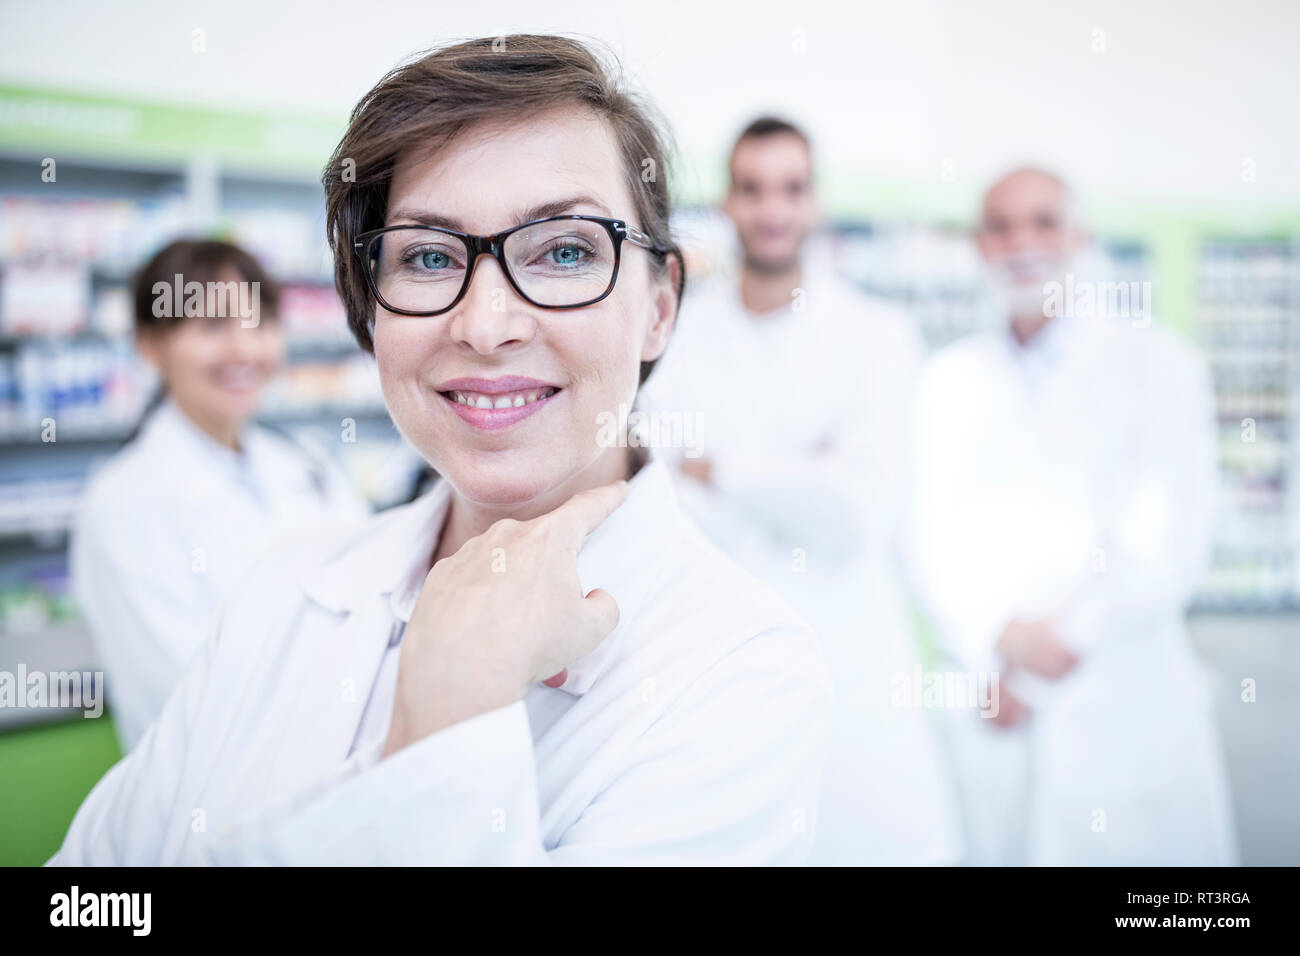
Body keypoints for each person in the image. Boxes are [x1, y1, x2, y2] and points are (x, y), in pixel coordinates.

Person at [50, 35, 832, 866]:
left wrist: (453, 710)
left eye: (565, 251)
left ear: (660, 306)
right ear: (369, 309)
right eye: (427, 256)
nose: (487, 327)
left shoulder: (746, 674)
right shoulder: (283, 593)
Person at [641, 116, 961, 865]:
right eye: (752, 189)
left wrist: (718, 467)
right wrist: (799, 471)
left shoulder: (876, 335)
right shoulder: (678, 332)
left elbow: (857, 512)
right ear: (728, 202)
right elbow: (663, 496)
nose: (771, 210)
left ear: (815, 203)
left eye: (790, 189)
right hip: (717, 654)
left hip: (852, 656)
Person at [907, 166, 1237, 865]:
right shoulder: (948, 383)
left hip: (1119, 695)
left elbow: (1164, 545)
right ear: (977, 245)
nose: (1020, 243)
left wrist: (1034, 661)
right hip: (989, 696)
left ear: (1079, 237)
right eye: (1000, 226)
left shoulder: (1159, 366)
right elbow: (926, 538)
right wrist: (989, 638)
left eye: (1043, 221)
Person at [71, 239, 371, 752]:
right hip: (217, 800)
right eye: (212, 327)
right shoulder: (122, 503)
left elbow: (378, 595)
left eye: (260, 323)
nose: (245, 350)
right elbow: (192, 696)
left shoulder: (307, 465)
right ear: (149, 344)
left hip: (347, 762)